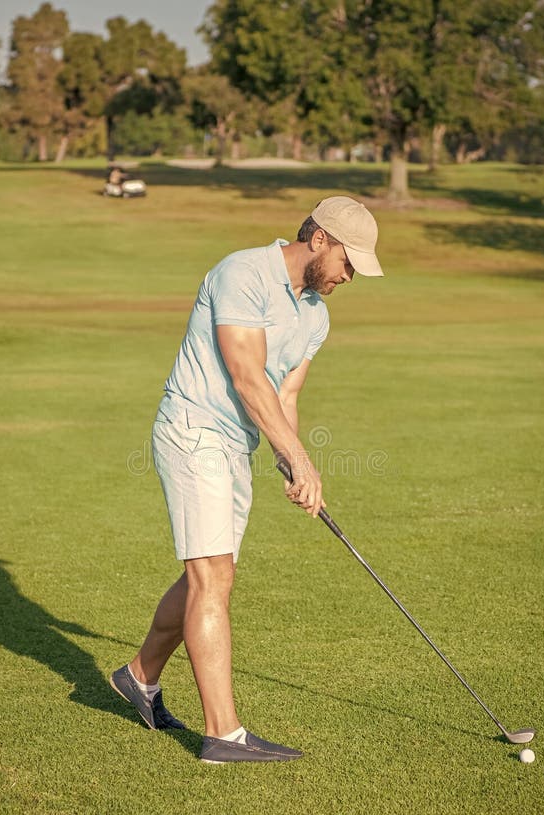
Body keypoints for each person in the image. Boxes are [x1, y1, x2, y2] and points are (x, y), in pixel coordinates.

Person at [110, 196, 384, 763]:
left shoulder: (316, 315)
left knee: (208, 574)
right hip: (193, 430)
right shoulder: (242, 273)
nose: (349, 276)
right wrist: (302, 461)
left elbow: (285, 395)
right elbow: (246, 375)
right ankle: (223, 734)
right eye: (348, 262)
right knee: (212, 577)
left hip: (236, 445)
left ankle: (139, 677)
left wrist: (293, 464)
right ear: (320, 240)